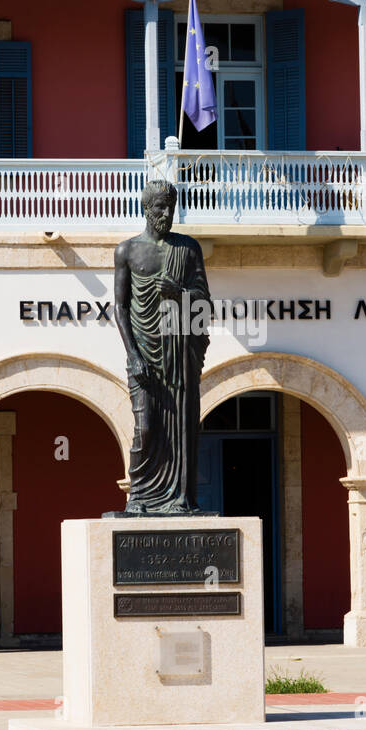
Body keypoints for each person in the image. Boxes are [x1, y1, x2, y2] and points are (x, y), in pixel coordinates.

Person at [113, 180, 211, 514]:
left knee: (182, 426)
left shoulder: (188, 249)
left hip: (179, 353)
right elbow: (121, 308)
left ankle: (179, 498)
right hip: (143, 352)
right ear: (145, 208)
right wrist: (133, 355)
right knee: (146, 427)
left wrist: (180, 294)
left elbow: (204, 303)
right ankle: (138, 496)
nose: (166, 213)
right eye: (159, 207)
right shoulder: (126, 251)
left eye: (170, 206)